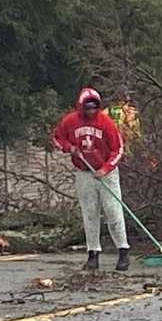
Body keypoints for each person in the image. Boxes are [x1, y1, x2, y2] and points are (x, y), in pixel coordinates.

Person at [52, 88, 130, 271]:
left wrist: (106, 168)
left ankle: (123, 251)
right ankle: (93, 253)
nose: (92, 111)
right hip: (84, 172)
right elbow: (57, 138)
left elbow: (118, 149)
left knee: (113, 211)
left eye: (95, 107)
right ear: (81, 107)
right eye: (88, 108)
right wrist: (68, 147)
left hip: (106, 173)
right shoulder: (70, 121)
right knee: (90, 213)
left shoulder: (106, 123)